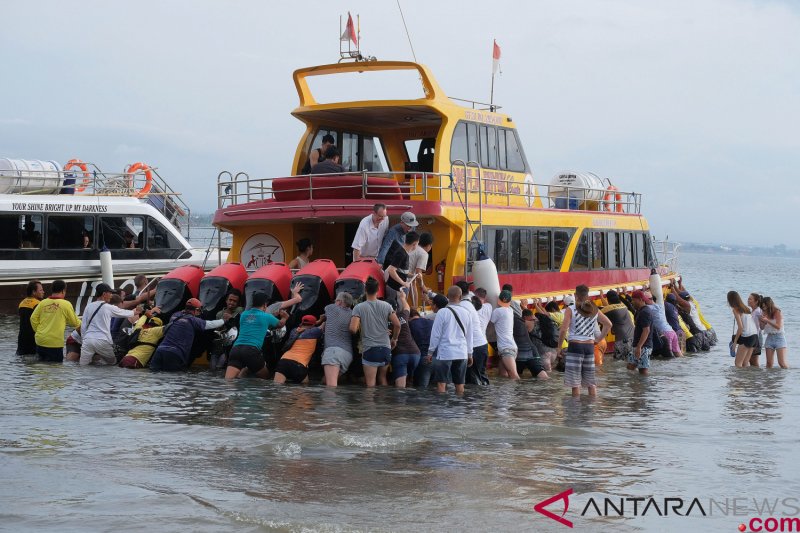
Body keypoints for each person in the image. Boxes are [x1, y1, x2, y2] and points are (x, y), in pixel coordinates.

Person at [558, 285, 612, 396]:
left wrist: (559, 347)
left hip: (575, 346)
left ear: (575, 295)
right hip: (589, 347)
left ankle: (576, 410)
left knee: (575, 383)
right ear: (587, 295)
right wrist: (598, 339)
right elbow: (608, 324)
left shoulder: (571, 309)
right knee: (591, 382)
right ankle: (591, 408)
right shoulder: (594, 309)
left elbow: (563, 330)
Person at [350, 277, 400, 387]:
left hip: (370, 349)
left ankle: (370, 404)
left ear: (365, 290)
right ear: (378, 289)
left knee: (370, 385)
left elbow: (353, 329)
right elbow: (397, 324)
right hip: (385, 348)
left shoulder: (359, 307)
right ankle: (384, 403)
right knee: (382, 379)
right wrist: (394, 339)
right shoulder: (387, 305)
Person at [150, 298, 224, 372]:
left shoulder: (174, 315)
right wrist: (224, 320)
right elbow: (210, 324)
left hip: (159, 351)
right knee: (172, 380)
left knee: (154, 377)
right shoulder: (193, 320)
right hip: (174, 354)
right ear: (197, 310)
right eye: (199, 311)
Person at [224, 292, 284, 380]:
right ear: (265, 304)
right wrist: (284, 317)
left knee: (228, 381)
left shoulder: (243, 314)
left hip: (236, 349)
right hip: (251, 351)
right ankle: (246, 370)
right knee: (266, 378)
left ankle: (244, 371)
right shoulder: (267, 316)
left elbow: (253, 321)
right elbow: (280, 324)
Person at [79, 283, 141, 366]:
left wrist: (84, 341)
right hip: (102, 341)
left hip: (87, 340)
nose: (111, 295)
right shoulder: (108, 307)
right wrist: (138, 311)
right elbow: (126, 313)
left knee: (83, 367)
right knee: (112, 364)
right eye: (110, 293)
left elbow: (83, 326)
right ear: (104, 294)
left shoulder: (88, 306)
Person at [426, 286, 474, 394]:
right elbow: (470, 336)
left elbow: (435, 334)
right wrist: (470, 354)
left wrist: (430, 352)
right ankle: (459, 408)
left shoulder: (442, 312)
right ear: (461, 297)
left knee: (441, 383)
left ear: (447, 296)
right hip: (462, 352)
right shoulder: (467, 313)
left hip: (445, 353)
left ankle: (442, 408)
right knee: (460, 384)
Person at [29, 279, 81, 363]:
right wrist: (87, 324)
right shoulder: (66, 304)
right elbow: (75, 323)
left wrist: (38, 331)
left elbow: (33, 318)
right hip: (54, 343)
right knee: (56, 369)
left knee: (41, 366)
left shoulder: (43, 303)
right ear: (63, 290)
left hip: (40, 340)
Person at [273, 315, 323, 384]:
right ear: (314, 324)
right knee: (304, 387)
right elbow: (324, 325)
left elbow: (308, 327)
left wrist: (317, 322)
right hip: (299, 365)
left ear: (301, 323)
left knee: (277, 387)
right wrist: (321, 320)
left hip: (284, 361)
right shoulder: (315, 332)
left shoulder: (294, 331)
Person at [320, 292, 355, 387]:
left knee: (331, 388)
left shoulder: (330, 308)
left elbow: (325, 315)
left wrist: (322, 322)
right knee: (325, 381)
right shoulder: (353, 314)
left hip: (333, 352)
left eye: (336, 300)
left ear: (339, 302)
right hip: (347, 355)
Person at [490, 290, 521, 380]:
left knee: (514, 376)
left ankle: (519, 393)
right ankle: (506, 394)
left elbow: (490, 323)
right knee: (503, 375)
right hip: (510, 347)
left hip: (505, 349)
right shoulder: (510, 310)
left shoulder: (497, 311)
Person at [384, 231, 419, 306]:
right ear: (414, 244)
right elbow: (391, 270)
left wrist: (413, 275)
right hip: (394, 289)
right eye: (418, 244)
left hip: (398, 289)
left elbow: (402, 271)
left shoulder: (404, 253)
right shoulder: (401, 253)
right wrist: (403, 283)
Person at [467, 287, 492, 385]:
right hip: (484, 344)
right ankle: (485, 392)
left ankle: (476, 396)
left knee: (473, 375)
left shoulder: (471, 309)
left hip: (474, 345)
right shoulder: (489, 307)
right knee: (482, 372)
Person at [601, 290, 635, 361]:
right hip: (633, 339)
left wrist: (601, 297)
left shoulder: (609, 309)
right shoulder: (623, 306)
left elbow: (599, 312)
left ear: (608, 300)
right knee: (629, 362)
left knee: (618, 362)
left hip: (622, 341)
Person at [728, 290, 758, 368]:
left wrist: (735, 342)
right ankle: (746, 379)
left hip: (747, 337)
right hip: (754, 336)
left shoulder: (735, 310)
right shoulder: (746, 308)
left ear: (730, 300)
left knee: (738, 364)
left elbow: (741, 327)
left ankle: (739, 380)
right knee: (745, 363)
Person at [410, 303, 437, 387]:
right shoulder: (432, 322)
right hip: (437, 359)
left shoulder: (410, 325)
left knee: (421, 392)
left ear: (409, 317)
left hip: (423, 360)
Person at [17, 280, 45, 356]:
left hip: (22, 340)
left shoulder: (22, 303)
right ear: (33, 292)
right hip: (33, 341)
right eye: (41, 290)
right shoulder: (38, 305)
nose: (43, 292)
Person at [629, 290, 654, 375]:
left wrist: (639, 347)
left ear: (640, 299)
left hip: (644, 346)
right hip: (638, 345)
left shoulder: (645, 312)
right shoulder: (640, 311)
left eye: (633, 300)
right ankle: (635, 385)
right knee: (630, 367)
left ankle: (644, 387)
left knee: (643, 370)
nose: (632, 302)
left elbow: (646, 330)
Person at [519, 309, 549, 379]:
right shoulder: (540, 321)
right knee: (543, 375)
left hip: (521, 352)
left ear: (525, 317)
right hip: (535, 351)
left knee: (517, 376)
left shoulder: (523, 322)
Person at [759, 297, 788, 369]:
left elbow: (778, 326)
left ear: (769, 305)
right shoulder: (764, 312)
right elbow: (762, 328)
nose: (764, 308)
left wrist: (767, 320)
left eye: (765, 306)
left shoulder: (777, 312)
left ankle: (785, 378)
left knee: (781, 363)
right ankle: (769, 379)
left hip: (779, 337)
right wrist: (761, 321)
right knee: (769, 364)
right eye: (763, 307)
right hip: (769, 337)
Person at [747, 292, 764, 367]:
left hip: (756, 337)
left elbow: (763, 324)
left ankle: (757, 377)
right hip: (752, 336)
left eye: (750, 299)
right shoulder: (753, 311)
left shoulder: (758, 311)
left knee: (754, 361)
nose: (748, 300)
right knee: (751, 360)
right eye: (748, 299)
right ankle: (754, 376)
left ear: (756, 301)